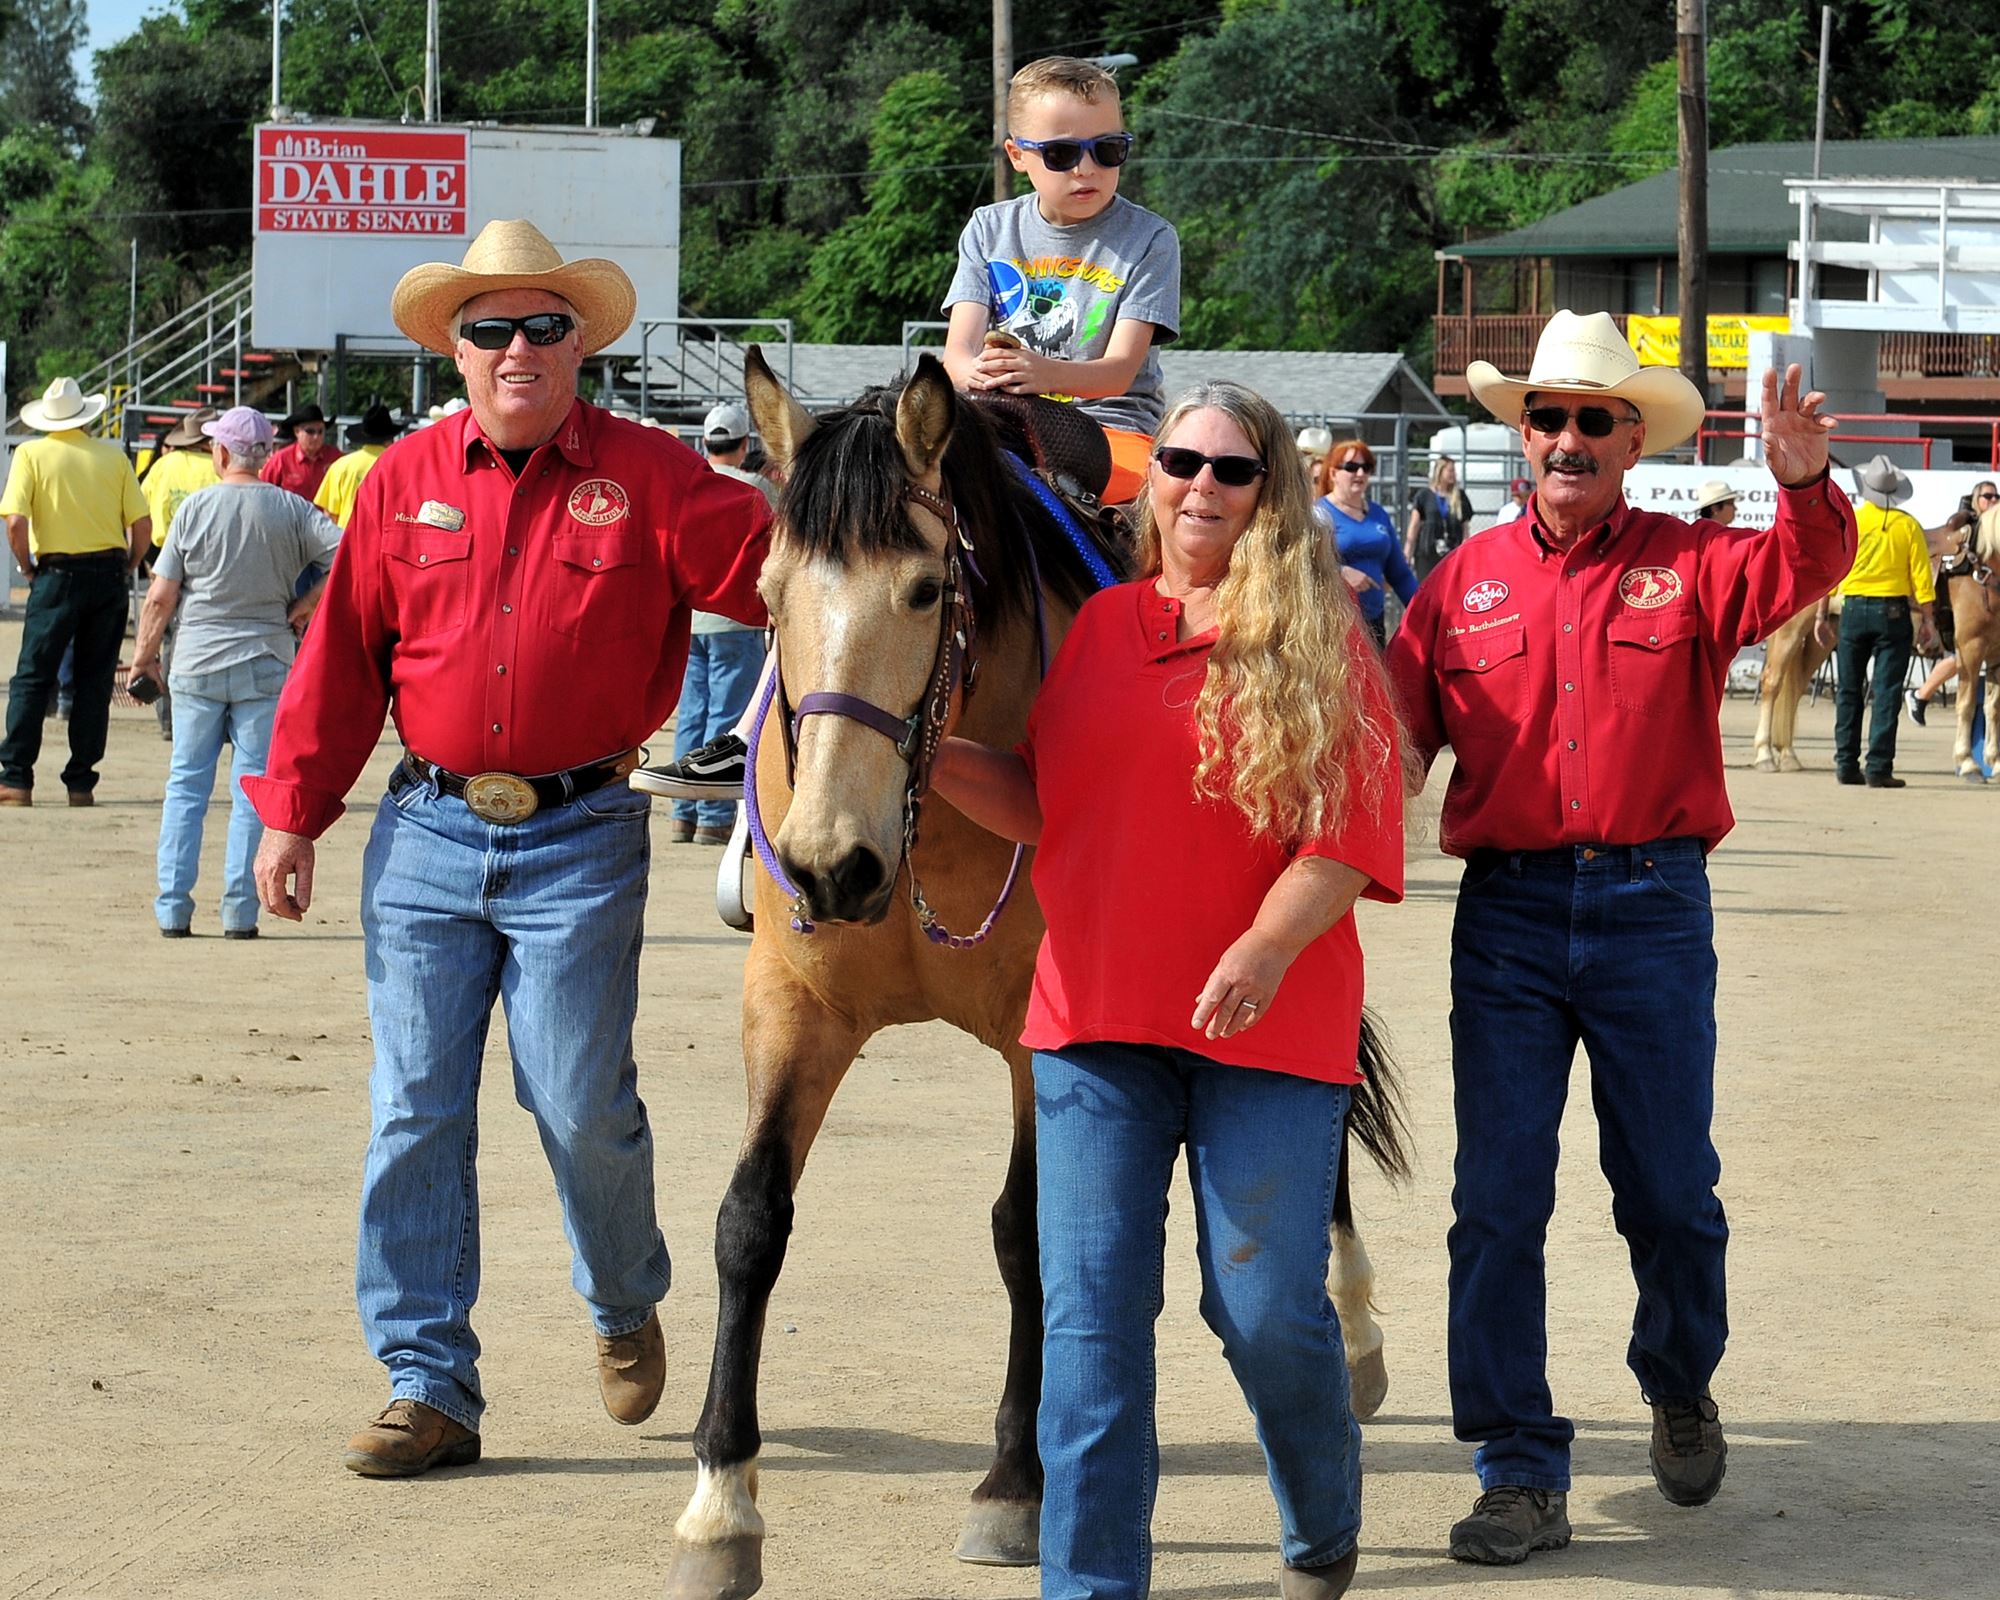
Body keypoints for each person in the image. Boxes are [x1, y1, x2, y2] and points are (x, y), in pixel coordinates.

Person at [244, 219, 772, 1478]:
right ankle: (425, 1384)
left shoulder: (653, 476)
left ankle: (622, 1295)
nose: (518, 347)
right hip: (425, 828)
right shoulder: (398, 478)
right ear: (457, 348)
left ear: (581, 344)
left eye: (544, 325)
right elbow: (343, 655)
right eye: (491, 328)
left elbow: (791, 575)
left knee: (577, 1101)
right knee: (413, 1110)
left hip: (581, 833)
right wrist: (292, 810)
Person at [1386, 310, 1855, 1566]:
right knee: (1495, 1201)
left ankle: (1678, 1376)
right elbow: (1390, 740)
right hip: (1506, 917)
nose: (1567, 437)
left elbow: (1806, 563)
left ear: (1631, 439)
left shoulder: (1691, 561)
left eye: (1593, 418)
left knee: (1667, 1189)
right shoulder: (1458, 584)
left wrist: (1801, 478)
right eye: (1546, 416)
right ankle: (1515, 1467)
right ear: (1521, 434)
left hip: (1651, 905)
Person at [929, 381, 1405, 1600]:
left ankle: (1319, 1512)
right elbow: (1044, 803)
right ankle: (1090, 1584)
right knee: (1088, 1325)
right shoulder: (1100, 628)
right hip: (1092, 1025)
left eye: (1230, 469)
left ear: (1268, 491)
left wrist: (1263, 945)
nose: (1199, 485)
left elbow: (1349, 838)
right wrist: (924, 754)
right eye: (1182, 461)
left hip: (1269, 1030)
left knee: (1260, 1308)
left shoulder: (1321, 640)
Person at [130, 407, 342, 938]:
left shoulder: (196, 508)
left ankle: (173, 909)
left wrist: (143, 658)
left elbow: (160, 597)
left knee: (186, 787)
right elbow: (347, 551)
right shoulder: (291, 508)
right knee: (252, 791)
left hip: (197, 661)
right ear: (266, 454)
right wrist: (308, 603)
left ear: (221, 453)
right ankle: (240, 913)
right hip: (266, 660)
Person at [940, 55, 1180, 507]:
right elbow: (957, 354)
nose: (1086, 169)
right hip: (1004, 418)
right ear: (1017, 156)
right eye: (1062, 154)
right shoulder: (987, 228)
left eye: (1108, 149)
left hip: (1113, 427)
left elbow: (1118, 374)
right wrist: (976, 373)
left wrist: (1039, 373)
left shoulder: (1151, 238)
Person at [0, 377, 152, 808]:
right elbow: (142, 525)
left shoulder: (31, 454)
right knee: (94, 681)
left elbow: (15, 522)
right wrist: (128, 564)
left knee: (33, 676)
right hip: (108, 572)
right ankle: (81, 782)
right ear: (86, 417)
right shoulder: (113, 456)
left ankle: (16, 777)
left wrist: (27, 566)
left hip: (57, 572)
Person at [665, 401, 775, 844]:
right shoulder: (756, 487)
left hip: (693, 619)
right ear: (744, 444)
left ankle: (682, 813)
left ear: (706, 443)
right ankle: (713, 816)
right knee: (728, 716)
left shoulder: (690, 486)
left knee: (692, 713)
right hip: (737, 622)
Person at [1814, 455, 1938, 788]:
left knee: (1848, 690)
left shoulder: (1853, 520)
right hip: (1892, 613)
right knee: (1886, 692)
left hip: (1853, 611)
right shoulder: (1907, 526)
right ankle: (1879, 767)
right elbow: (1921, 579)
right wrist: (1928, 621)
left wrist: (1822, 614)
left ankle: (1845, 764)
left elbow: (1832, 571)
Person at [1906, 478, 1992, 724]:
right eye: (1987, 496)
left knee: (1961, 654)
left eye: (1996, 497)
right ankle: (1920, 695)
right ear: (1975, 500)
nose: (1993, 501)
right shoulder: (1968, 532)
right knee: (1960, 654)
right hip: (1963, 616)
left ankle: (1920, 695)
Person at [1320, 438, 1418, 648]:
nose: (1360, 473)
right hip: (1332, 625)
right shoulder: (1318, 514)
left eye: (1366, 467)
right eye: (1351, 467)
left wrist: (1425, 612)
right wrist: (1339, 572)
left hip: (1374, 623)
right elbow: (1300, 564)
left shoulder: (1378, 514)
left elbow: (1399, 574)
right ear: (1333, 473)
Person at [312, 403, 404, 528]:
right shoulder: (400, 468)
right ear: (390, 439)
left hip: (346, 536)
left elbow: (330, 516)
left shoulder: (340, 466)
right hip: (384, 536)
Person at [1403, 454, 1473, 581]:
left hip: (1452, 553)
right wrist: (1408, 552)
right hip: (1428, 553)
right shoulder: (1424, 495)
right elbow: (1414, 525)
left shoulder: (1460, 496)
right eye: (1450, 471)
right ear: (1440, 471)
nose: (1453, 474)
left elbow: (1465, 528)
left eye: (1454, 471)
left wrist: (1465, 551)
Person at [260, 403, 344, 502]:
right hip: (290, 512)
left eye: (320, 431)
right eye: (310, 431)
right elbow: (262, 491)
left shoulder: (336, 457)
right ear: (297, 431)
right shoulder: (281, 459)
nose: (316, 437)